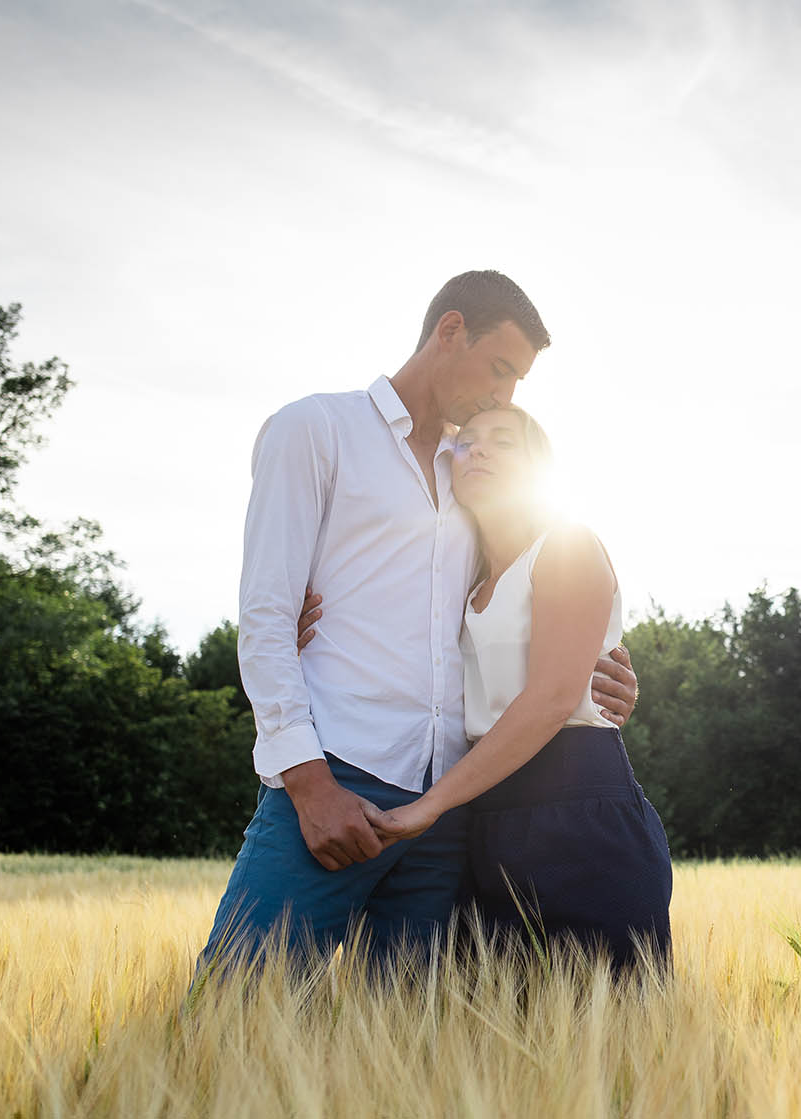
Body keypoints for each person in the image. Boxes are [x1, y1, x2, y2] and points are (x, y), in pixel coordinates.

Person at [194, 271, 638, 977]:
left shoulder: (469, 471)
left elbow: (518, 605)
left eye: (517, 382)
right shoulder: (317, 428)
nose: (504, 396)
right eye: (500, 368)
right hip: (336, 782)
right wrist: (309, 786)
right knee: (238, 1008)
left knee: (411, 1049)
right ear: (449, 329)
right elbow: (268, 617)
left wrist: (599, 665)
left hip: (449, 811)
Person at [341, 404, 673, 972]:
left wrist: (431, 806)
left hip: (580, 812)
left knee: (613, 1032)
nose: (480, 450)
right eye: (466, 442)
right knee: (499, 1032)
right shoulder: (463, 579)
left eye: (504, 441)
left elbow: (550, 700)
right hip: (487, 821)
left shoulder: (567, 544)